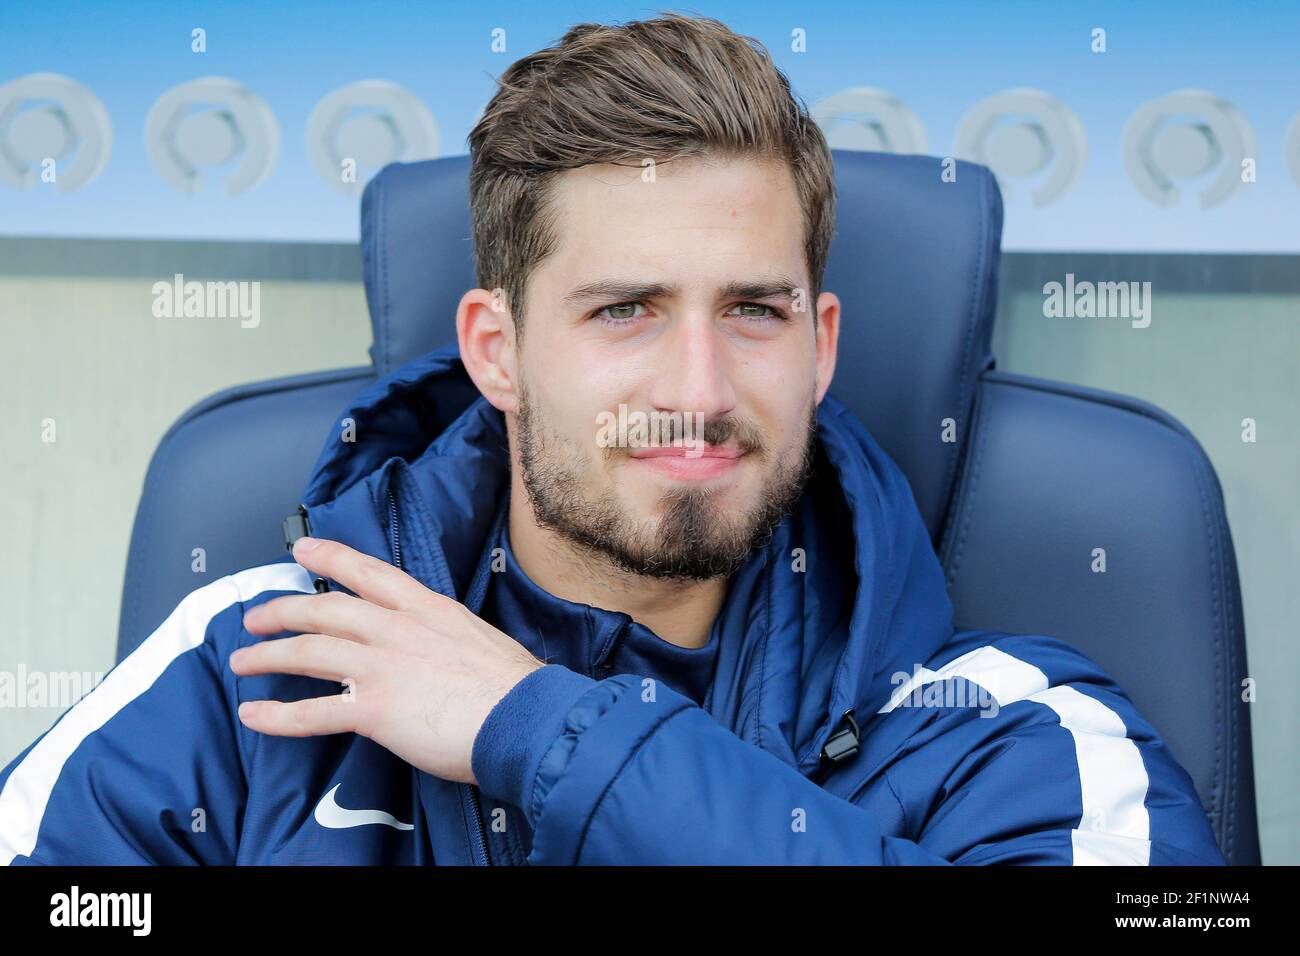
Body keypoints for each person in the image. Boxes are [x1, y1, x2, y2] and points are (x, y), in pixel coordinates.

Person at [0, 13, 1224, 865]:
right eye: (623, 310)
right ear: (496, 349)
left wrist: (539, 730)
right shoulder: (255, 671)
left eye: (753, 310)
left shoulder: (1015, 730)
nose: (696, 386)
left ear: (822, 346)